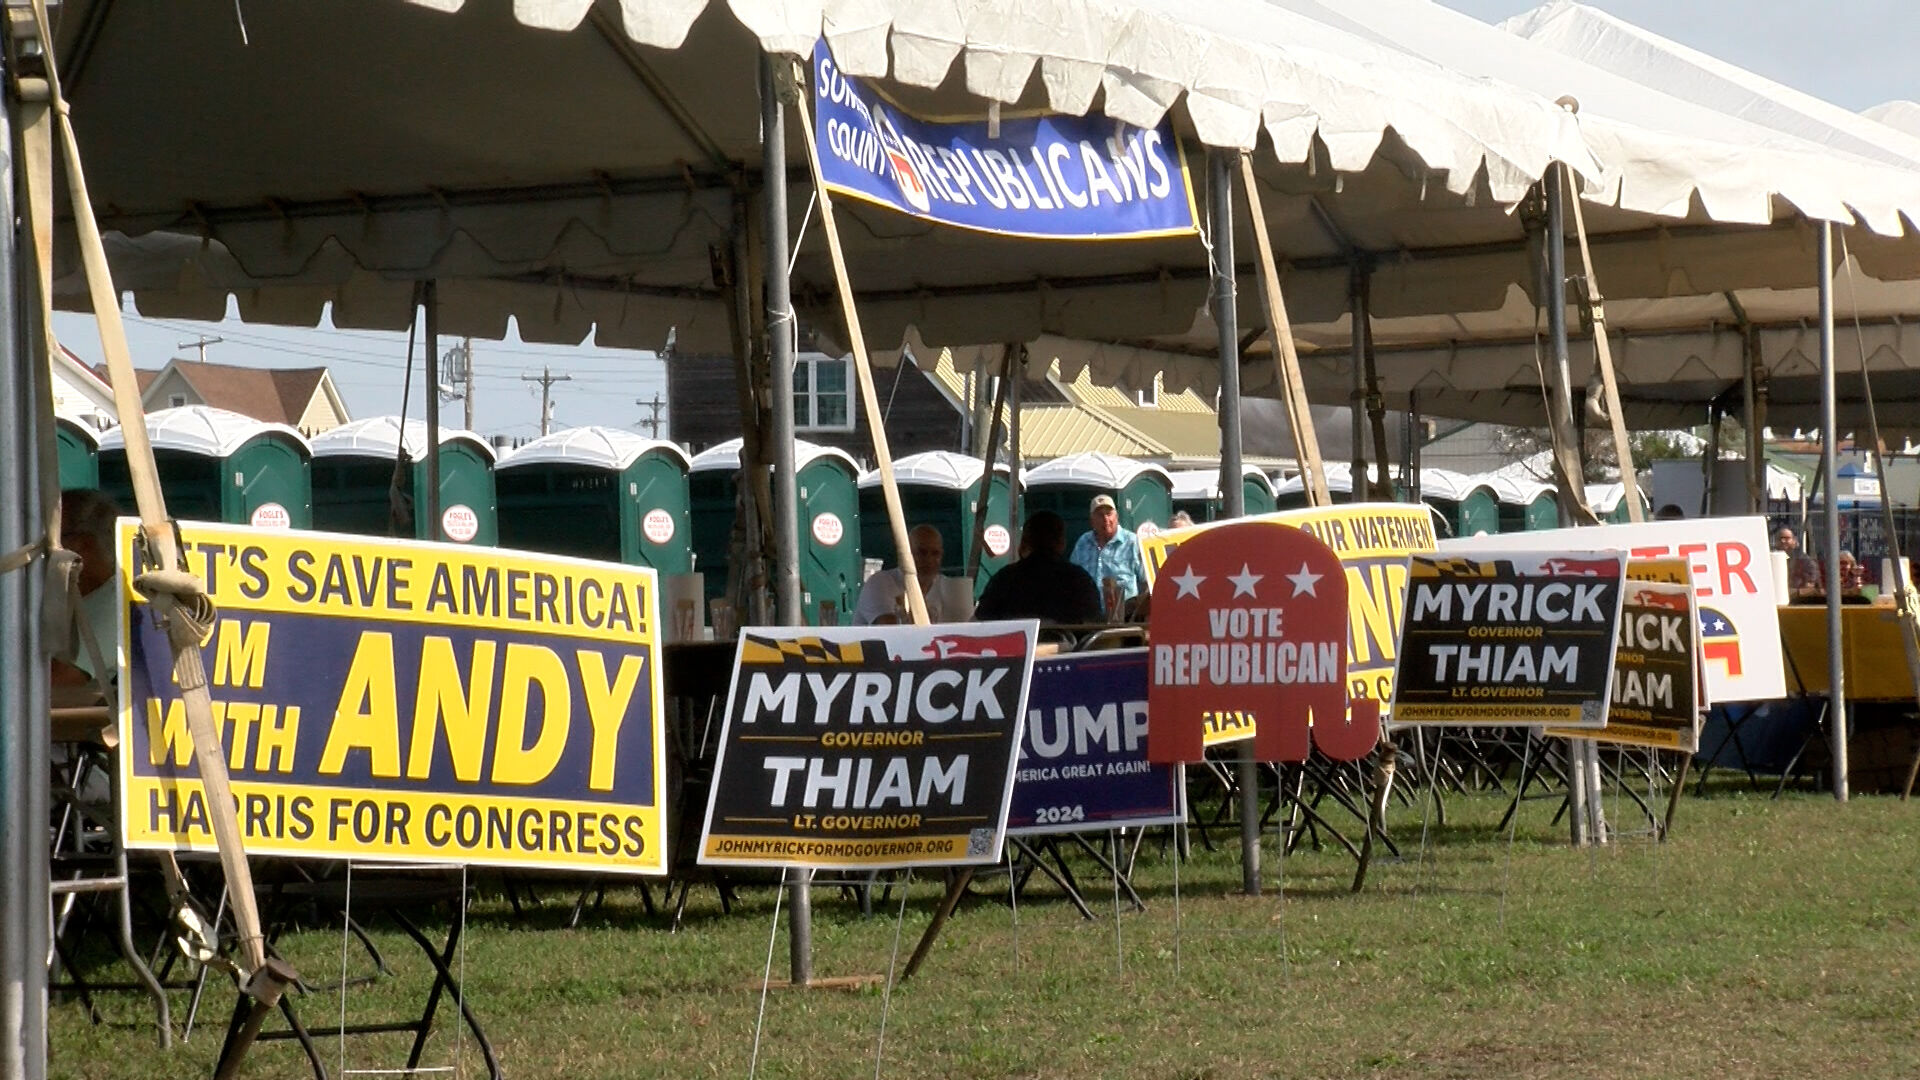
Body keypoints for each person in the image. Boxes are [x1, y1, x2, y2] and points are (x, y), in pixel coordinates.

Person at [975, 511, 1104, 625]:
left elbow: (981, 621)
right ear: (1061, 543)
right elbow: (1094, 623)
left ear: (1026, 541)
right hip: (1071, 651)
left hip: (1016, 651)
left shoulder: (1004, 579)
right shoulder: (1079, 580)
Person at [52, 489, 123, 689]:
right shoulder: (73, 596)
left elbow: (57, 681)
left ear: (83, 545)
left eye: (47, 538)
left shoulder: (115, 605)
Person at [854, 524, 975, 624]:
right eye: (921, 552)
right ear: (904, 554)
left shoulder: (947, 587)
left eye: (935, 553)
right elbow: (890, 630)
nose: (929, 560)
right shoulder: (880, 583)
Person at [1070, 495, 1147, 614]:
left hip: (1125, 620)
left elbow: (1147, 583)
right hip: (1089, 620)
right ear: (1092, 520)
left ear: (1116, 516)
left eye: (1109, 514)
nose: (1106, 519)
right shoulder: (1083, 543)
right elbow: (1072, 581)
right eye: (1100, 515)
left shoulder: (1133, 542)